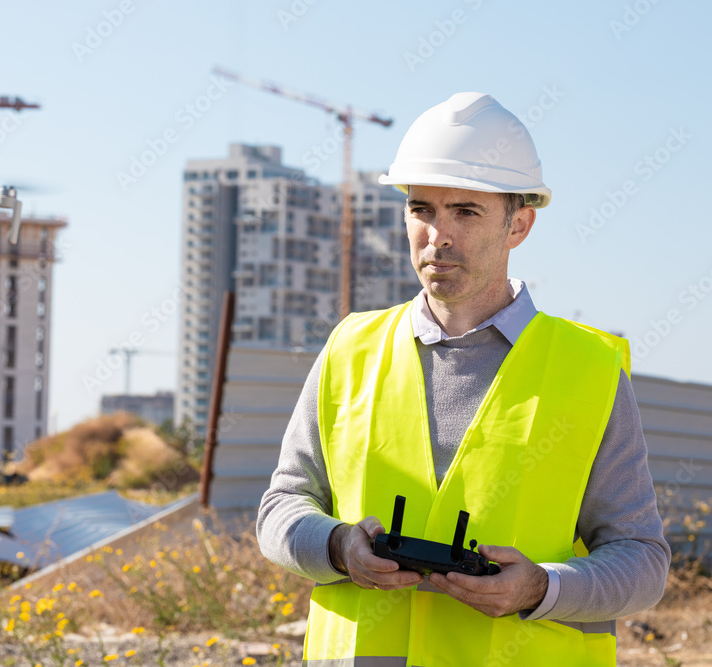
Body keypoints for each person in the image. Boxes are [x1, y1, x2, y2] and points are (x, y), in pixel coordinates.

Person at [256, 92, 670, 666]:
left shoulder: (588, 369)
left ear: (518, 225)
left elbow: (642, 560)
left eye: (466, 212)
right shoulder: (349, 349)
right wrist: (337, 545)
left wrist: (541, 589)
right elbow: (281, 508)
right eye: (421, 209)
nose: (438, 235)